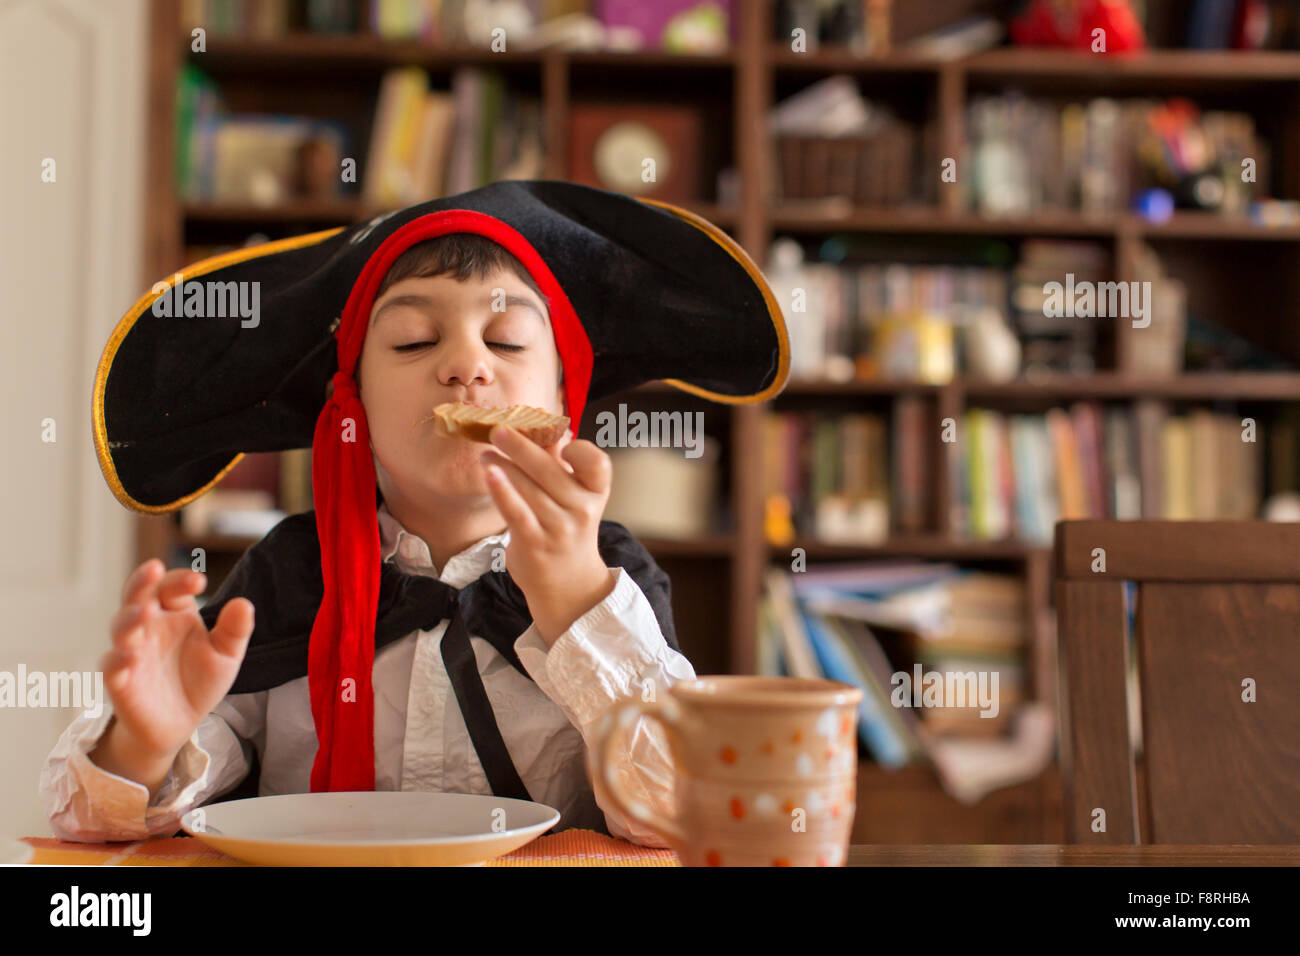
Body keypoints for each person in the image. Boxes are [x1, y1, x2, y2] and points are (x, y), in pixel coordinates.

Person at [40, 180, 788, 847]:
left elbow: (689, 814)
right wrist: (144, 742)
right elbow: (86, 819)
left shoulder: (612, 575)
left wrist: (573, 602)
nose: (466, 364)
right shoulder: (290, 575)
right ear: (352, 402)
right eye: (413, 339)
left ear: (565, 396)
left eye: (506, 338)